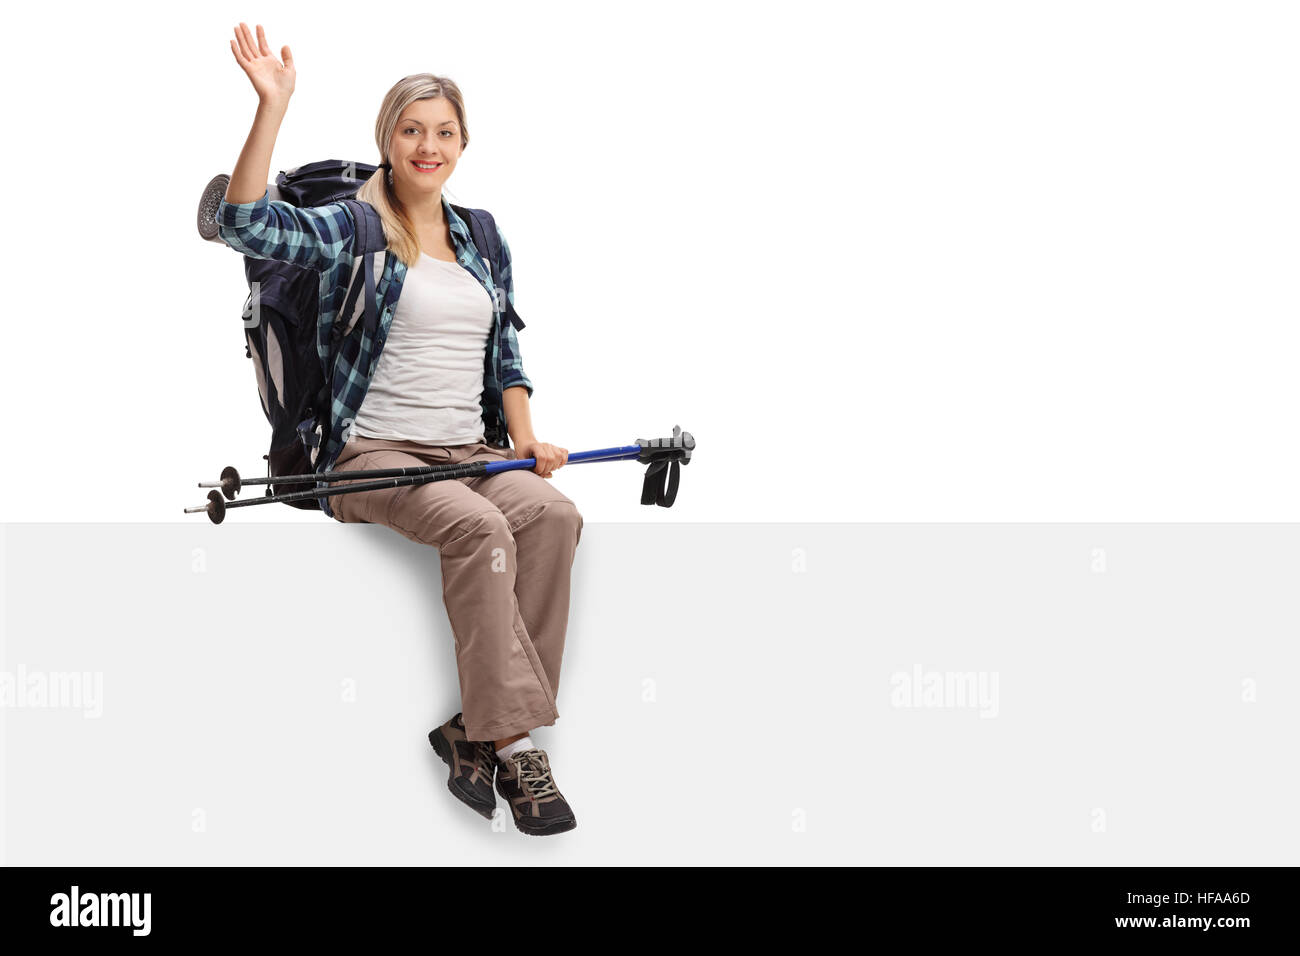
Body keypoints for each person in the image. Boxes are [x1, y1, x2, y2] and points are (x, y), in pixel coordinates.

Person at [217, 23, 582, 836]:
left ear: (463, 143)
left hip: (472, 450)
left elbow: (507, 352)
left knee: (555, 517)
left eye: (444, 132)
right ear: (387, 138)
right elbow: (246, 226)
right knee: (482, 528)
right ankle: (514, 740)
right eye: (411, 129)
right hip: (372, 454)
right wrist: (272, 106)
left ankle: (471, 729)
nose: (428, 145)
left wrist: (526, 441)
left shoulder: (481, 233)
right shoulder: (357, 227)